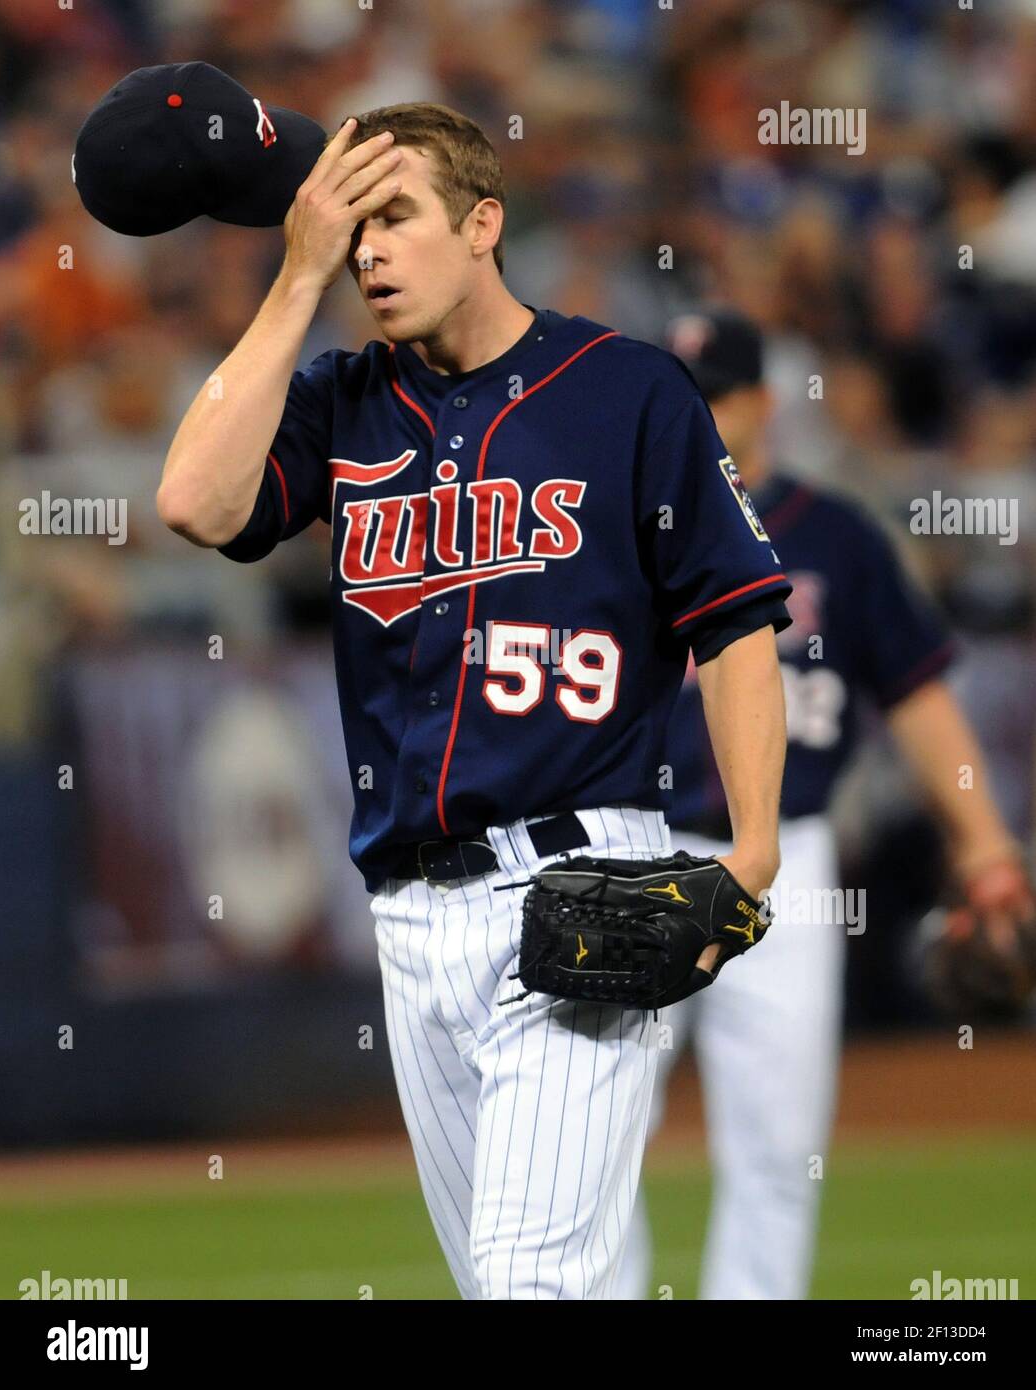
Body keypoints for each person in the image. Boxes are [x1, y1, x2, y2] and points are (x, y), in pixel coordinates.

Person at [155, 103, 792, 1300]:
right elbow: (194, 498)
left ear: (483, 221)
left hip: (581, 887)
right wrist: (295, 275)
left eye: (394, 217)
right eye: (353, 233)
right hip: (408, 914)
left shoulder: (627, 393)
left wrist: (751, 856)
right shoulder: (344, 399)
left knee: (525, 1286)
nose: (370, 253)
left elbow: (739, 622)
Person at [616, 306, 1034, 1300]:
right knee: (591, 1139)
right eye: (679, 397)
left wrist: (982, 843)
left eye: (713, 393)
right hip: (633, 849)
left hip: (787, 862)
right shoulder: (615, 524)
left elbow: (917, 696)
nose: (698, 414)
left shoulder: (832, 535)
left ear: (761, 401)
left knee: (778, 1153)